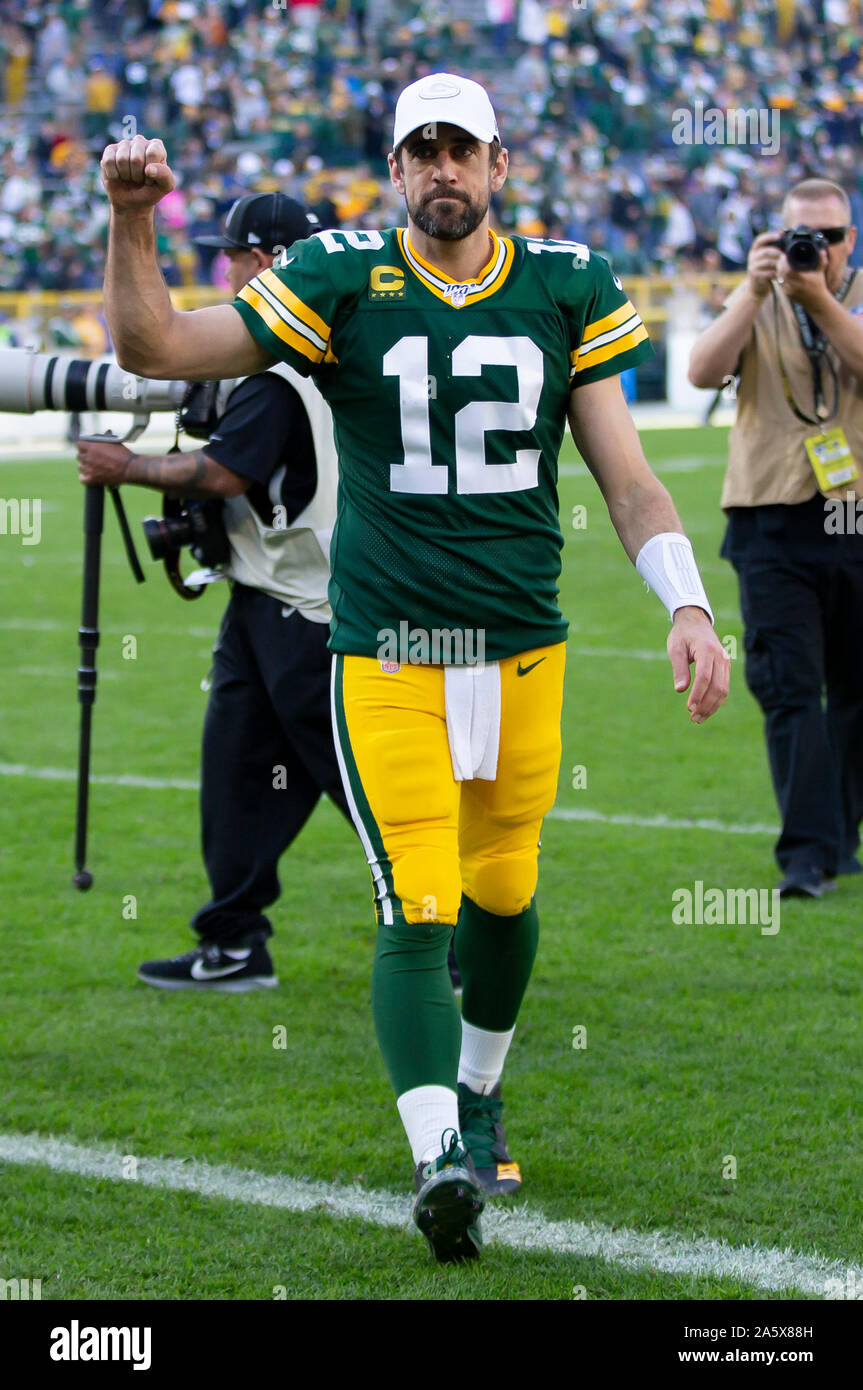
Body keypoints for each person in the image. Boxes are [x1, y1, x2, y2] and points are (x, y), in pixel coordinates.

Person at [96, 73, 729, 1262]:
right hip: (384, 649)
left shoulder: (568, 281)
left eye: (462, 149)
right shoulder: (340, 276)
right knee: (415, 899)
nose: (442, 168)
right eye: (419, 150)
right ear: (394, 171)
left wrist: (686, 603)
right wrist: (134, 218)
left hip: (521, 645)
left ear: (499, 164)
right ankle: (438, 1152)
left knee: (504, 886)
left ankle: (481, 1090)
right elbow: (158, 342)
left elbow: (627, 478)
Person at [77, 192, 352, 989]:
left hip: (315, 614)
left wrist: (127, 467)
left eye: (231, 255)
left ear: (265, 262)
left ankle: (447, 937)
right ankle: (233, 943)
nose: (221, 269)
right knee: (235, 773)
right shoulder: (311, 343)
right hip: (265, 598)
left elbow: (226, 469)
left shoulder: (279, 364)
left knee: (367, 792)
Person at [689, 178, 863, 899]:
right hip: (768, 521)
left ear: (848, 241)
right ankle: (805, 856)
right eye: (802, 236)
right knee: (788, 690)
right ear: (775, 233)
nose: (813, 250)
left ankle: (839, 836)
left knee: (855, 691)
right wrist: (754, 292)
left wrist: (816, 296)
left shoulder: (851, 294)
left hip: (852, 518)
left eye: (828, 238)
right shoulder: (754, 296)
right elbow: (702, 370)